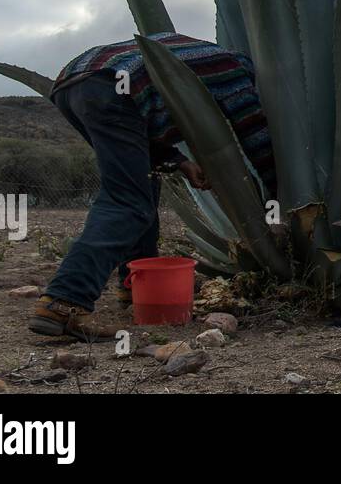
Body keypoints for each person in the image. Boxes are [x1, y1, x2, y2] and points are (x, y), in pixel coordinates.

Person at [30, 33, 275, 341]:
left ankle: (133, 286)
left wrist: (180, 162)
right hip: (112, 84)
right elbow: (257, 138)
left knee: (144, 183)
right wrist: (278, 197)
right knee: (129, 203)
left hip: (74, 83)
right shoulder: (234, 74)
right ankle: (64, 302)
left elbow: (140, 134)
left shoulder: (202, 59)